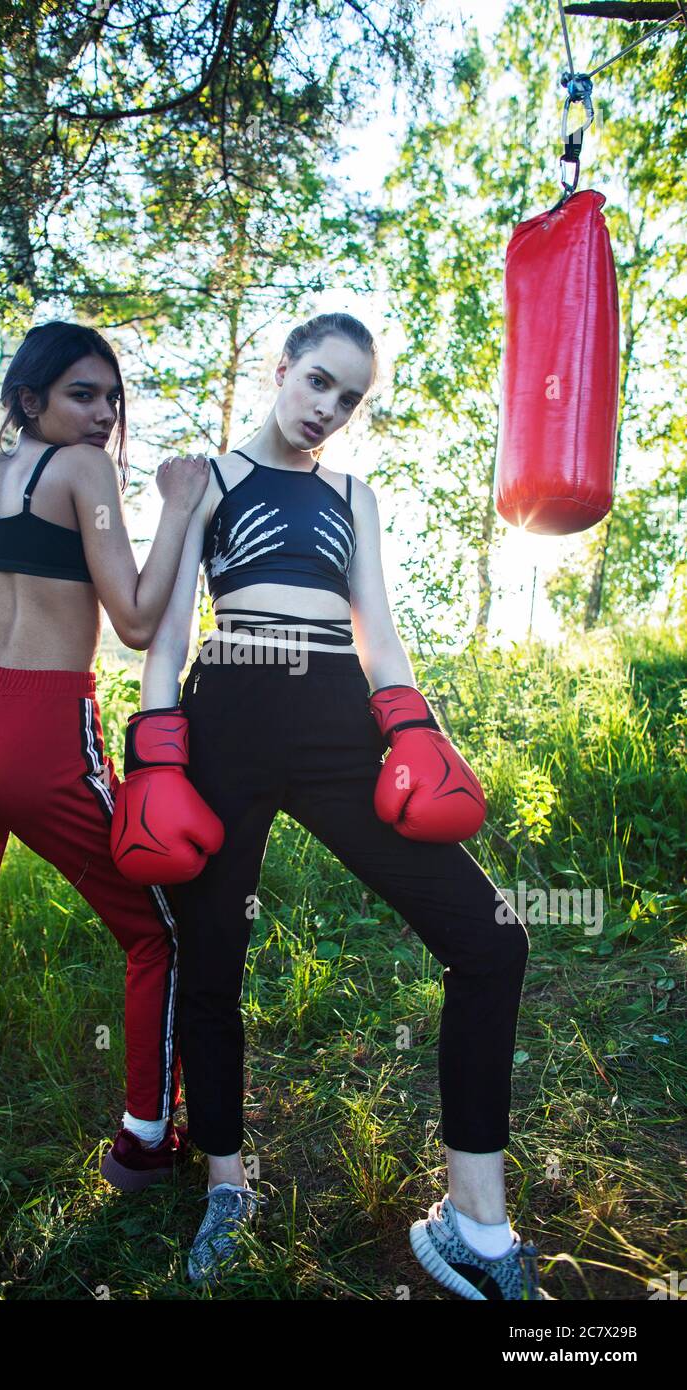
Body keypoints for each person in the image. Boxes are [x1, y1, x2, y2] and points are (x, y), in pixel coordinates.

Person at [115, 310, 544, 1299]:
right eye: (317, 382)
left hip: (333, 719)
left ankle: (474, 1223)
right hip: (224, 718)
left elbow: (378, 635)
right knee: (212, 961)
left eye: (348, 397)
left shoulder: (352, 494)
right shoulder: (211, 480)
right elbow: (166, 635)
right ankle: (227, 1186)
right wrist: (155, 756)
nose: (328, 409)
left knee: (489, 939)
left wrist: (415, 730)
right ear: (281, 370)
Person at [0, 320, 213, 1295]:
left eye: (112, 397)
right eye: (84, 394)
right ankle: (144, 1142)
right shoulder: (82, 476)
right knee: (158, 925)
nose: (105, 414)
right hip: (36, 725)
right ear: (31, 399)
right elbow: (136, 618)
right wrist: (183, 508)